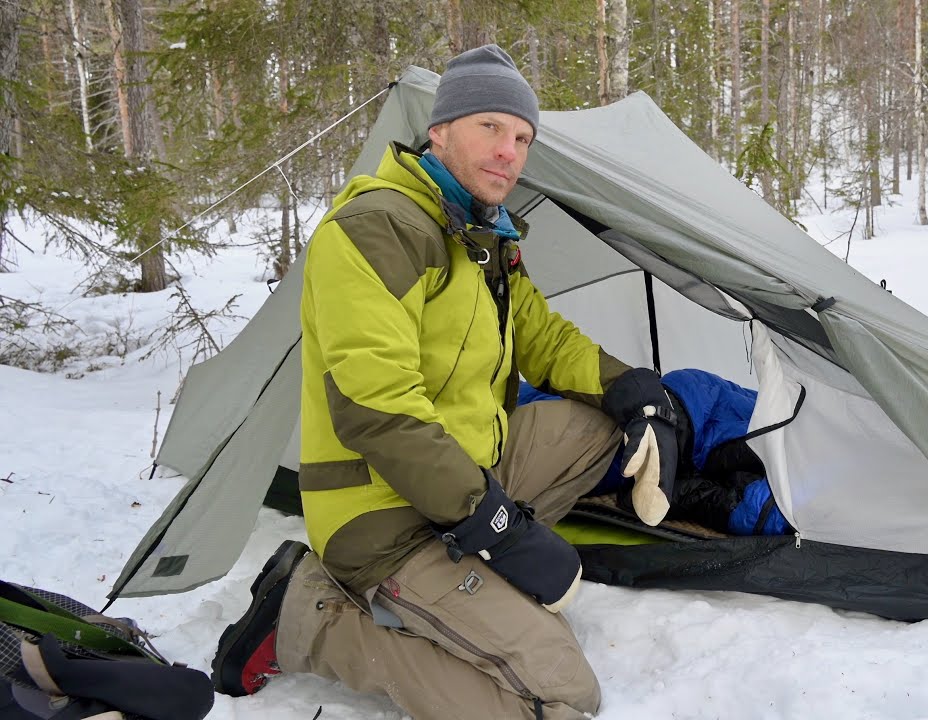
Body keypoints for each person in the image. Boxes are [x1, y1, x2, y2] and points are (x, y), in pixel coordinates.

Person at [209, 44, 685, 719]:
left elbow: (542, 338)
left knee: (606, 424)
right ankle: (308, 620)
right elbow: (379, 414)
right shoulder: (378, 230)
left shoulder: (485, 236)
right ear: (440, 131)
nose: (509, 152)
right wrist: (496, 526)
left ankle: (467, 577)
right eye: (490, 127)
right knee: (559, 694)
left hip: (464, 476)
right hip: (381, 518)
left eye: (522, 137)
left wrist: (633, 387)